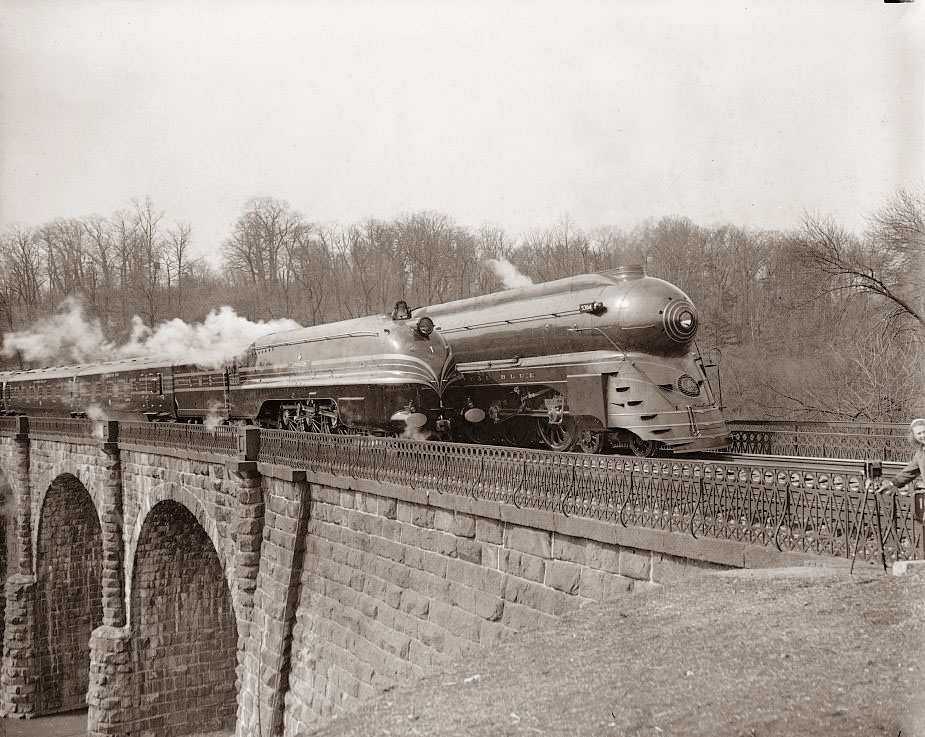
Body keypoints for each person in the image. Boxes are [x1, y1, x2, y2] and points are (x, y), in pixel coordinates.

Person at [878, 418, 925, 494]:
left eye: (924, 431)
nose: (923, 435)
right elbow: (911, 471)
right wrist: (891, 484)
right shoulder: (921, 451)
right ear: (914, 436)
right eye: (919, 433)